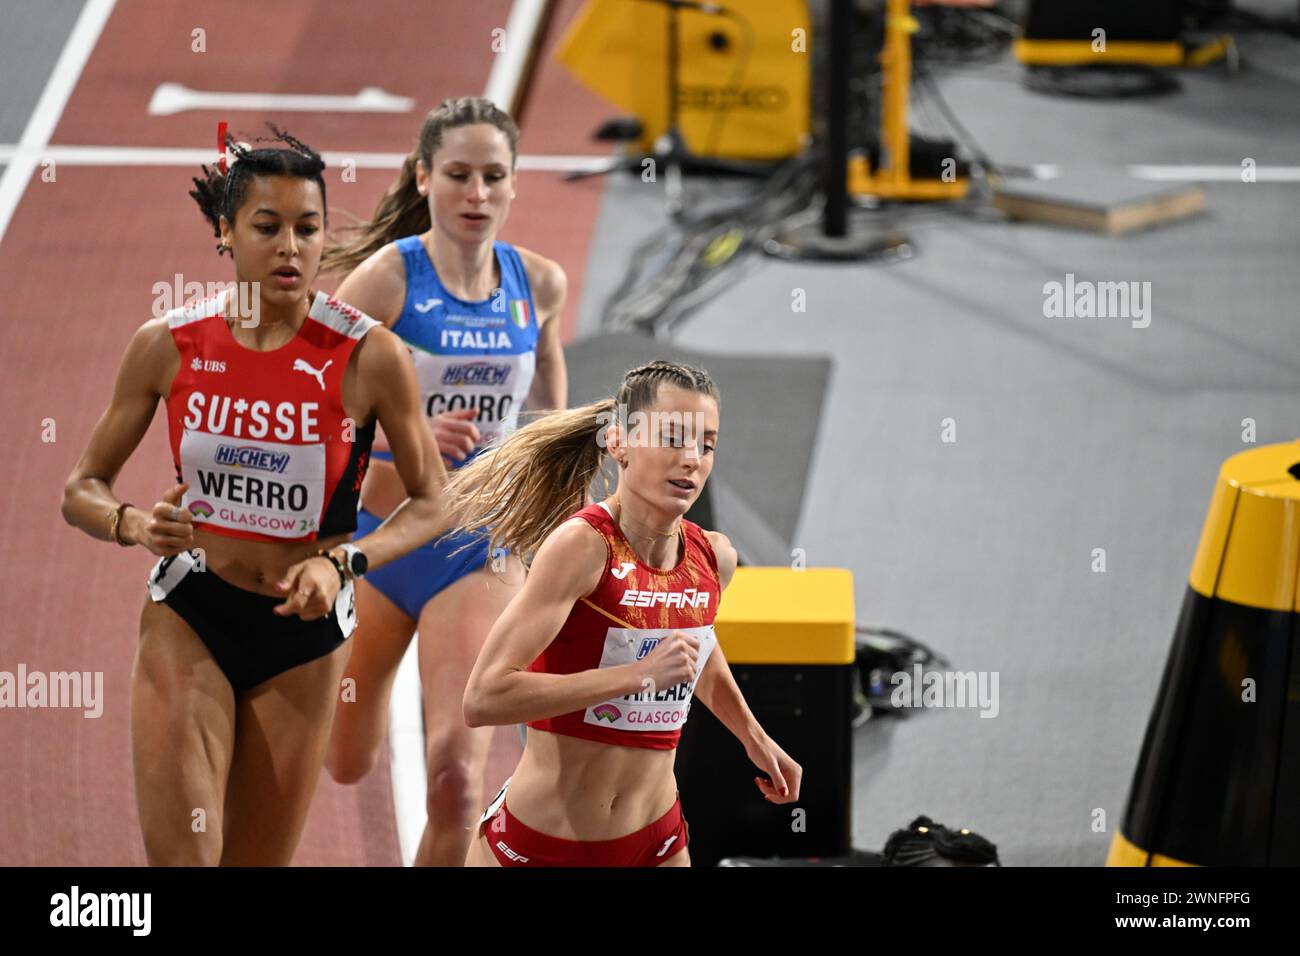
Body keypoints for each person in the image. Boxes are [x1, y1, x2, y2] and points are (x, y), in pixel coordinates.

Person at [59, 129, 447, 866]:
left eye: (308, 229)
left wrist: (345, 563)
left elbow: (434, 501)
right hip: (192, 613)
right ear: (224, 233)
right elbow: (80, 488)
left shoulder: (368, 356)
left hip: (303, 639)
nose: (291, 249)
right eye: (267, 228)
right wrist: (135, 523)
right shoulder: (169, 344)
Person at [318, 96, 568, 866]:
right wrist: (410, 435)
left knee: (457, 783)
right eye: (458, 175)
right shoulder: (387, 281)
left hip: (480, 552)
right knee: (343, 759)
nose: (477, 194)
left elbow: (548, 413)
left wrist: (548, 480)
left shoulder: (539, 285)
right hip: (381, 545)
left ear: (515, 184)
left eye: (494, 177)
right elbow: (315, 407)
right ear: (424, 177)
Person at [448, 360, 802, 866]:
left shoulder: (715, 556)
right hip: (540, 847)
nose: (691, 460)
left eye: (706, 444)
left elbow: (694, 647)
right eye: (673, 438)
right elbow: (484, 697)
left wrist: (754, 736)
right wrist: (634, 677)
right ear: (619, 443)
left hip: (655, 844)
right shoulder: (582, 547)